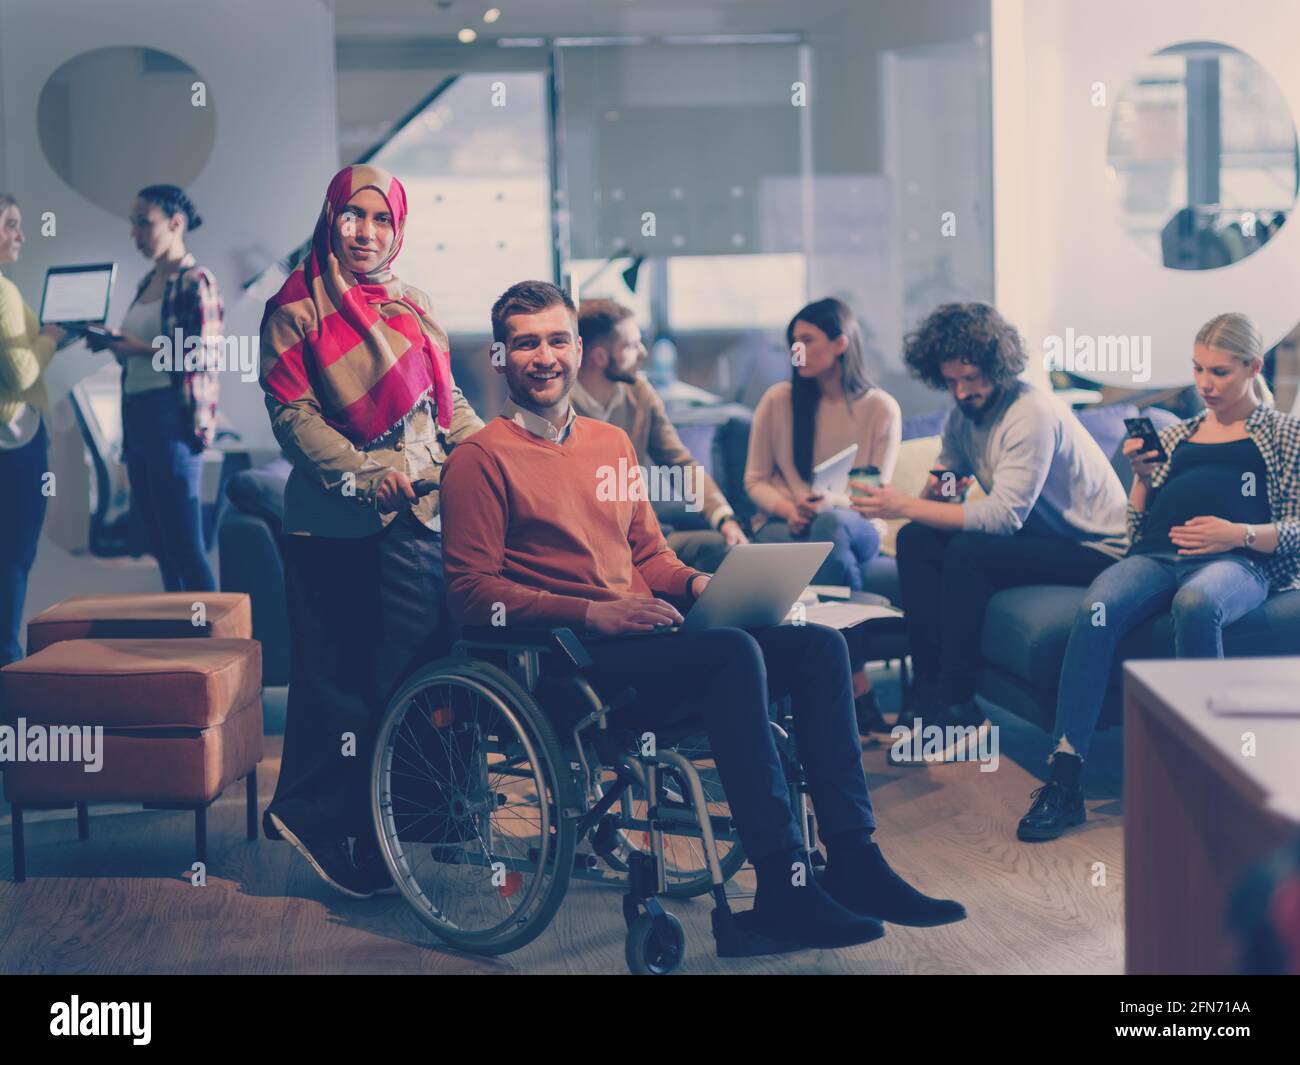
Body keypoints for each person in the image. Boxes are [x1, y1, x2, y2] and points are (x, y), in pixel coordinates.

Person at [439, 280, 965, 955]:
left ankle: (855, 860)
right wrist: (595, 611)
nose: (544, 356)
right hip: (567, 660)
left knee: (818, 648)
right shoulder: (479, 459)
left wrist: (698, 580)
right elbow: (472, 593)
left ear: (578, 349)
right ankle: (781, 889)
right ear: (500, 359)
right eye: (525, 342)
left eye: (556, 339)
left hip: (644, 642)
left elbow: (649, 555)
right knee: (730, 653)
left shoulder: (610, 444)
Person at [258, 164, 484, 896]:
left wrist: (495, 454)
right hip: (339, 525)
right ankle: (328, 824)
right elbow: (293, 417)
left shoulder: (412, 304)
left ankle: (420, 815)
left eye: (381, 219)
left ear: (398, 228)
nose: (365, 231)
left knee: (418, 670)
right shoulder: (296, 307)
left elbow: (446, 405)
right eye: (352, 216)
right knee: (345, 686)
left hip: (420, 514)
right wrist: (361, 472)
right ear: (330, 218)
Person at [1018, 313, 1300, 840]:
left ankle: (1208, 779)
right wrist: (1144, 479)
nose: (1205, 384)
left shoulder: (1283, 432)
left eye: (1219, 372)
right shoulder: (1181, 432)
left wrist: (1235, 533)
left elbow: (1297, 527)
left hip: (1235, 562)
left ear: (1252, 367)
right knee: (1095, 610)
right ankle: (1064, 777)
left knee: (1196, 605)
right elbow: (1135, 525)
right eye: (1197, 370)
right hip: (1153, 555)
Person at [852, 302, 1129, 765]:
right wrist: (931, 497)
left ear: (996, 366)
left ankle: (960, 706)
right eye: (952, 381)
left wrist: (901, 503)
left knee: (969, 552)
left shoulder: (1031, 413)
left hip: (1096, 546)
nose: (962, 391)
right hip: (1043, 537)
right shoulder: (963, 416)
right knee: (915, 540)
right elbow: (945, 484)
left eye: (971, 379)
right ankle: (928, 691)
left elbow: (1003, 519)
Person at [744, 298, 901, 731]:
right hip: (789, 525)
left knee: (831, 528)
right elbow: (755, 479)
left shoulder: (879, 408)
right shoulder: (778, 401)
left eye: (807, 341)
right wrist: (788, 507)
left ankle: (853, 679)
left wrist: (827, 505)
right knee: (767, 553)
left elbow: (871, 494)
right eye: (792, 342)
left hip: (855, 525)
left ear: (840, 344)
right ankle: (831, 692)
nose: (797, 351)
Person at [90, 185, 222, 592]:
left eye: (143, 223)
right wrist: (117, 346)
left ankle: (217, 647)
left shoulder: (195, 281)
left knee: (186, 545)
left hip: (173, 418)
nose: (135, 232)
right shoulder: (149, 281)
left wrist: (138, 348)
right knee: (159, 545)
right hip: (137, 414)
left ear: (175, 223)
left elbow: (204, 353)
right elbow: (145, 356)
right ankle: (182, 641)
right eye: (134, 223)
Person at [571, 297, 747, 571]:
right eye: (631, 346)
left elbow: (680, 464)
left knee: (725, 550)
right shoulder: (562, 406)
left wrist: (724, 518)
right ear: (599, 356)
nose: (643, 353)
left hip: (645, 538)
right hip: (587, 546)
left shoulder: (639, 392)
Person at [0, 193, 66, 667]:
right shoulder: (2, 290)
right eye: (11, 225)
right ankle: (8, 672)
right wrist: (51, 336)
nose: (20, 235)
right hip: (14, 440)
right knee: (14, 557)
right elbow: (22, 372)